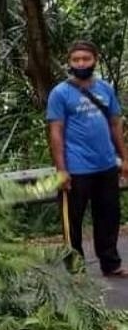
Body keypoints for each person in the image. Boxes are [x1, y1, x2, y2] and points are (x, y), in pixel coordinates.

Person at [46, 40, 128, 276]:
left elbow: (115, 124)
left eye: (86, 59)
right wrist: (61, 170)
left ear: (95, 60)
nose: (81, 63)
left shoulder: (105, 89)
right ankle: (76, 270)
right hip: (77, 167)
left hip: (106, 165)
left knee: (109, 216)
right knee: (72, 221)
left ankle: (111, 264)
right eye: (76, 60)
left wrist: (124, 158)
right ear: (69, 62)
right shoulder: (60, 93)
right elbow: (56, 132)